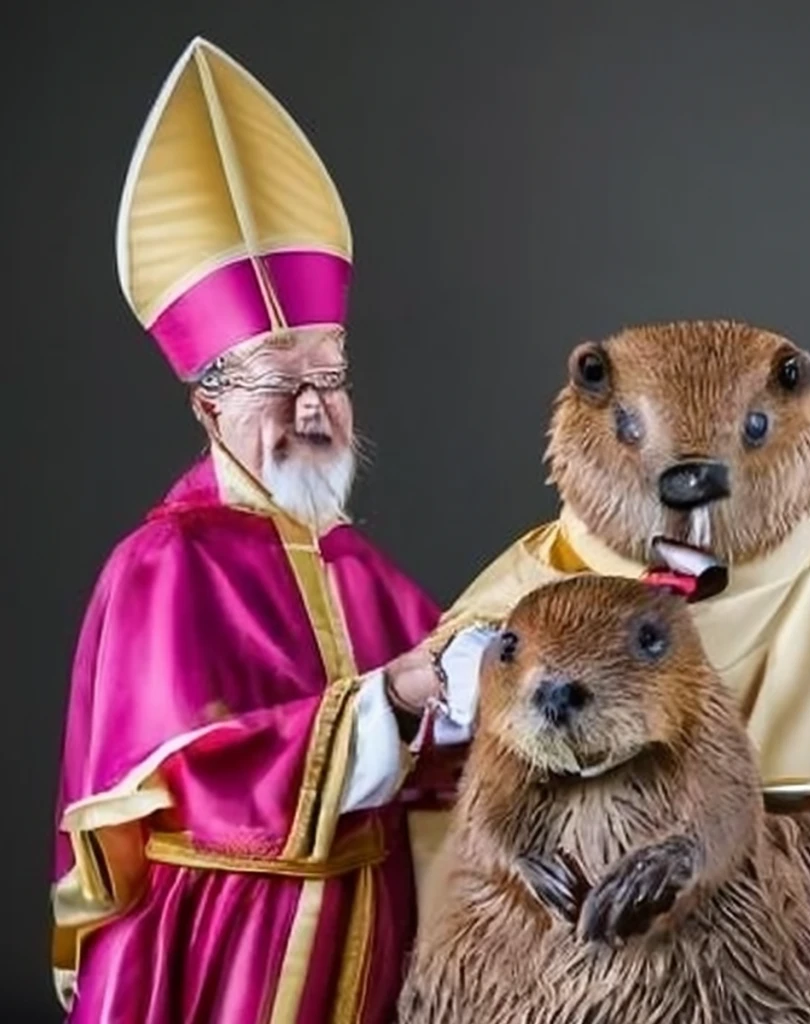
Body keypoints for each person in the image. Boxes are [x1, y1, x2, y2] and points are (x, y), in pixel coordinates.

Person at [50, 37, 473, 1024]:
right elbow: (191, 775)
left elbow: (447, 736)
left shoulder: (359, 568)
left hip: (369, 937)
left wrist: (484, 686)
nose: (315, 406)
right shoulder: (162, 564)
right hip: (228, 949)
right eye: (282, 382)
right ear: (208, 404)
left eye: (330, 375)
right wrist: (390, 698)